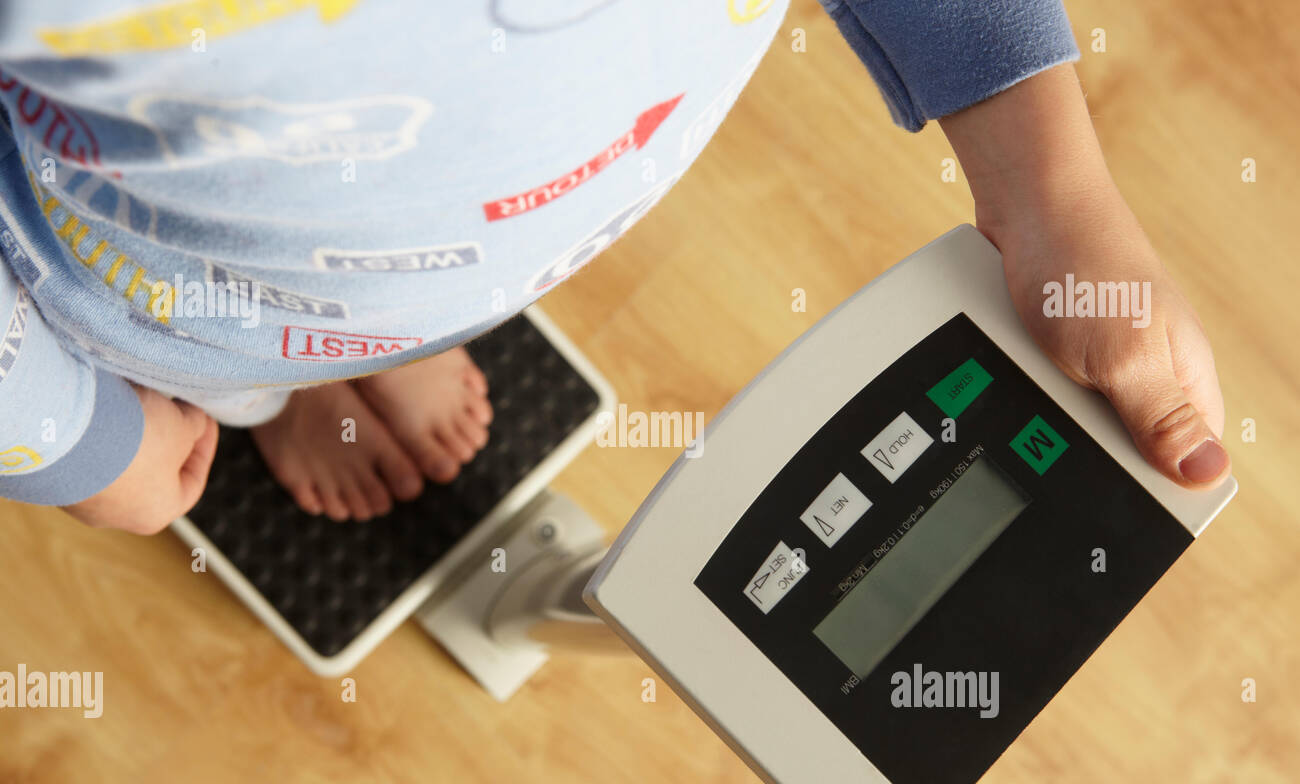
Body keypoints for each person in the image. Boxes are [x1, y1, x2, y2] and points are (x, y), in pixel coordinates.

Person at [0, 0, 1231, 533]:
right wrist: (69, 442)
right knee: (243, 354)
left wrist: (1051, 184)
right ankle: (275, 395)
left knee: (410, 273)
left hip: (501, 220)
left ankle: (393, 332)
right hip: (169, 279)